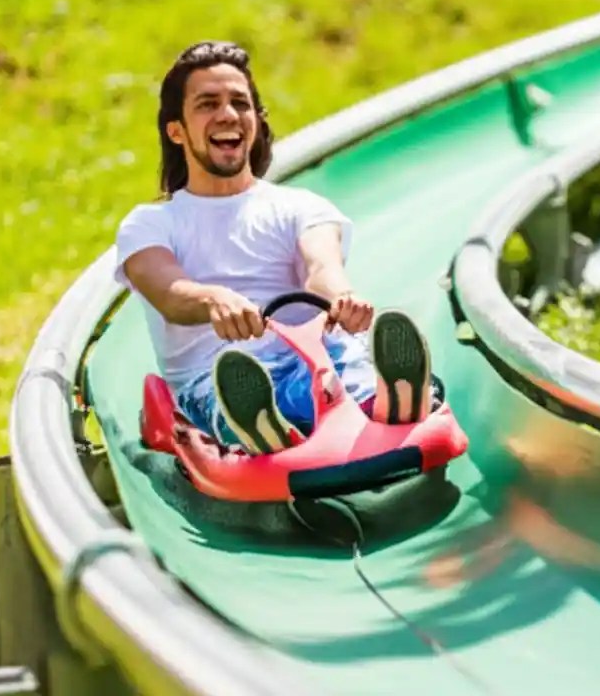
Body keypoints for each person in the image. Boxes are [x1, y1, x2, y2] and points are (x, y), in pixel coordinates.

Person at [113, 40, 440, 456]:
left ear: (256, 120)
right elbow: (169, 292)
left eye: (239, 103)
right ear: (176, 130)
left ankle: (388, 401)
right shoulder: (150, 224)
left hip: (317, 359)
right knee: (244, 390)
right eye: (207, 104)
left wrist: (343, 297)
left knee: (335, 375)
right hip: (217, 376)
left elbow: (320, 266)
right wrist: (214, 300)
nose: (227, 115)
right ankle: (261, 425)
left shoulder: (301, 207)